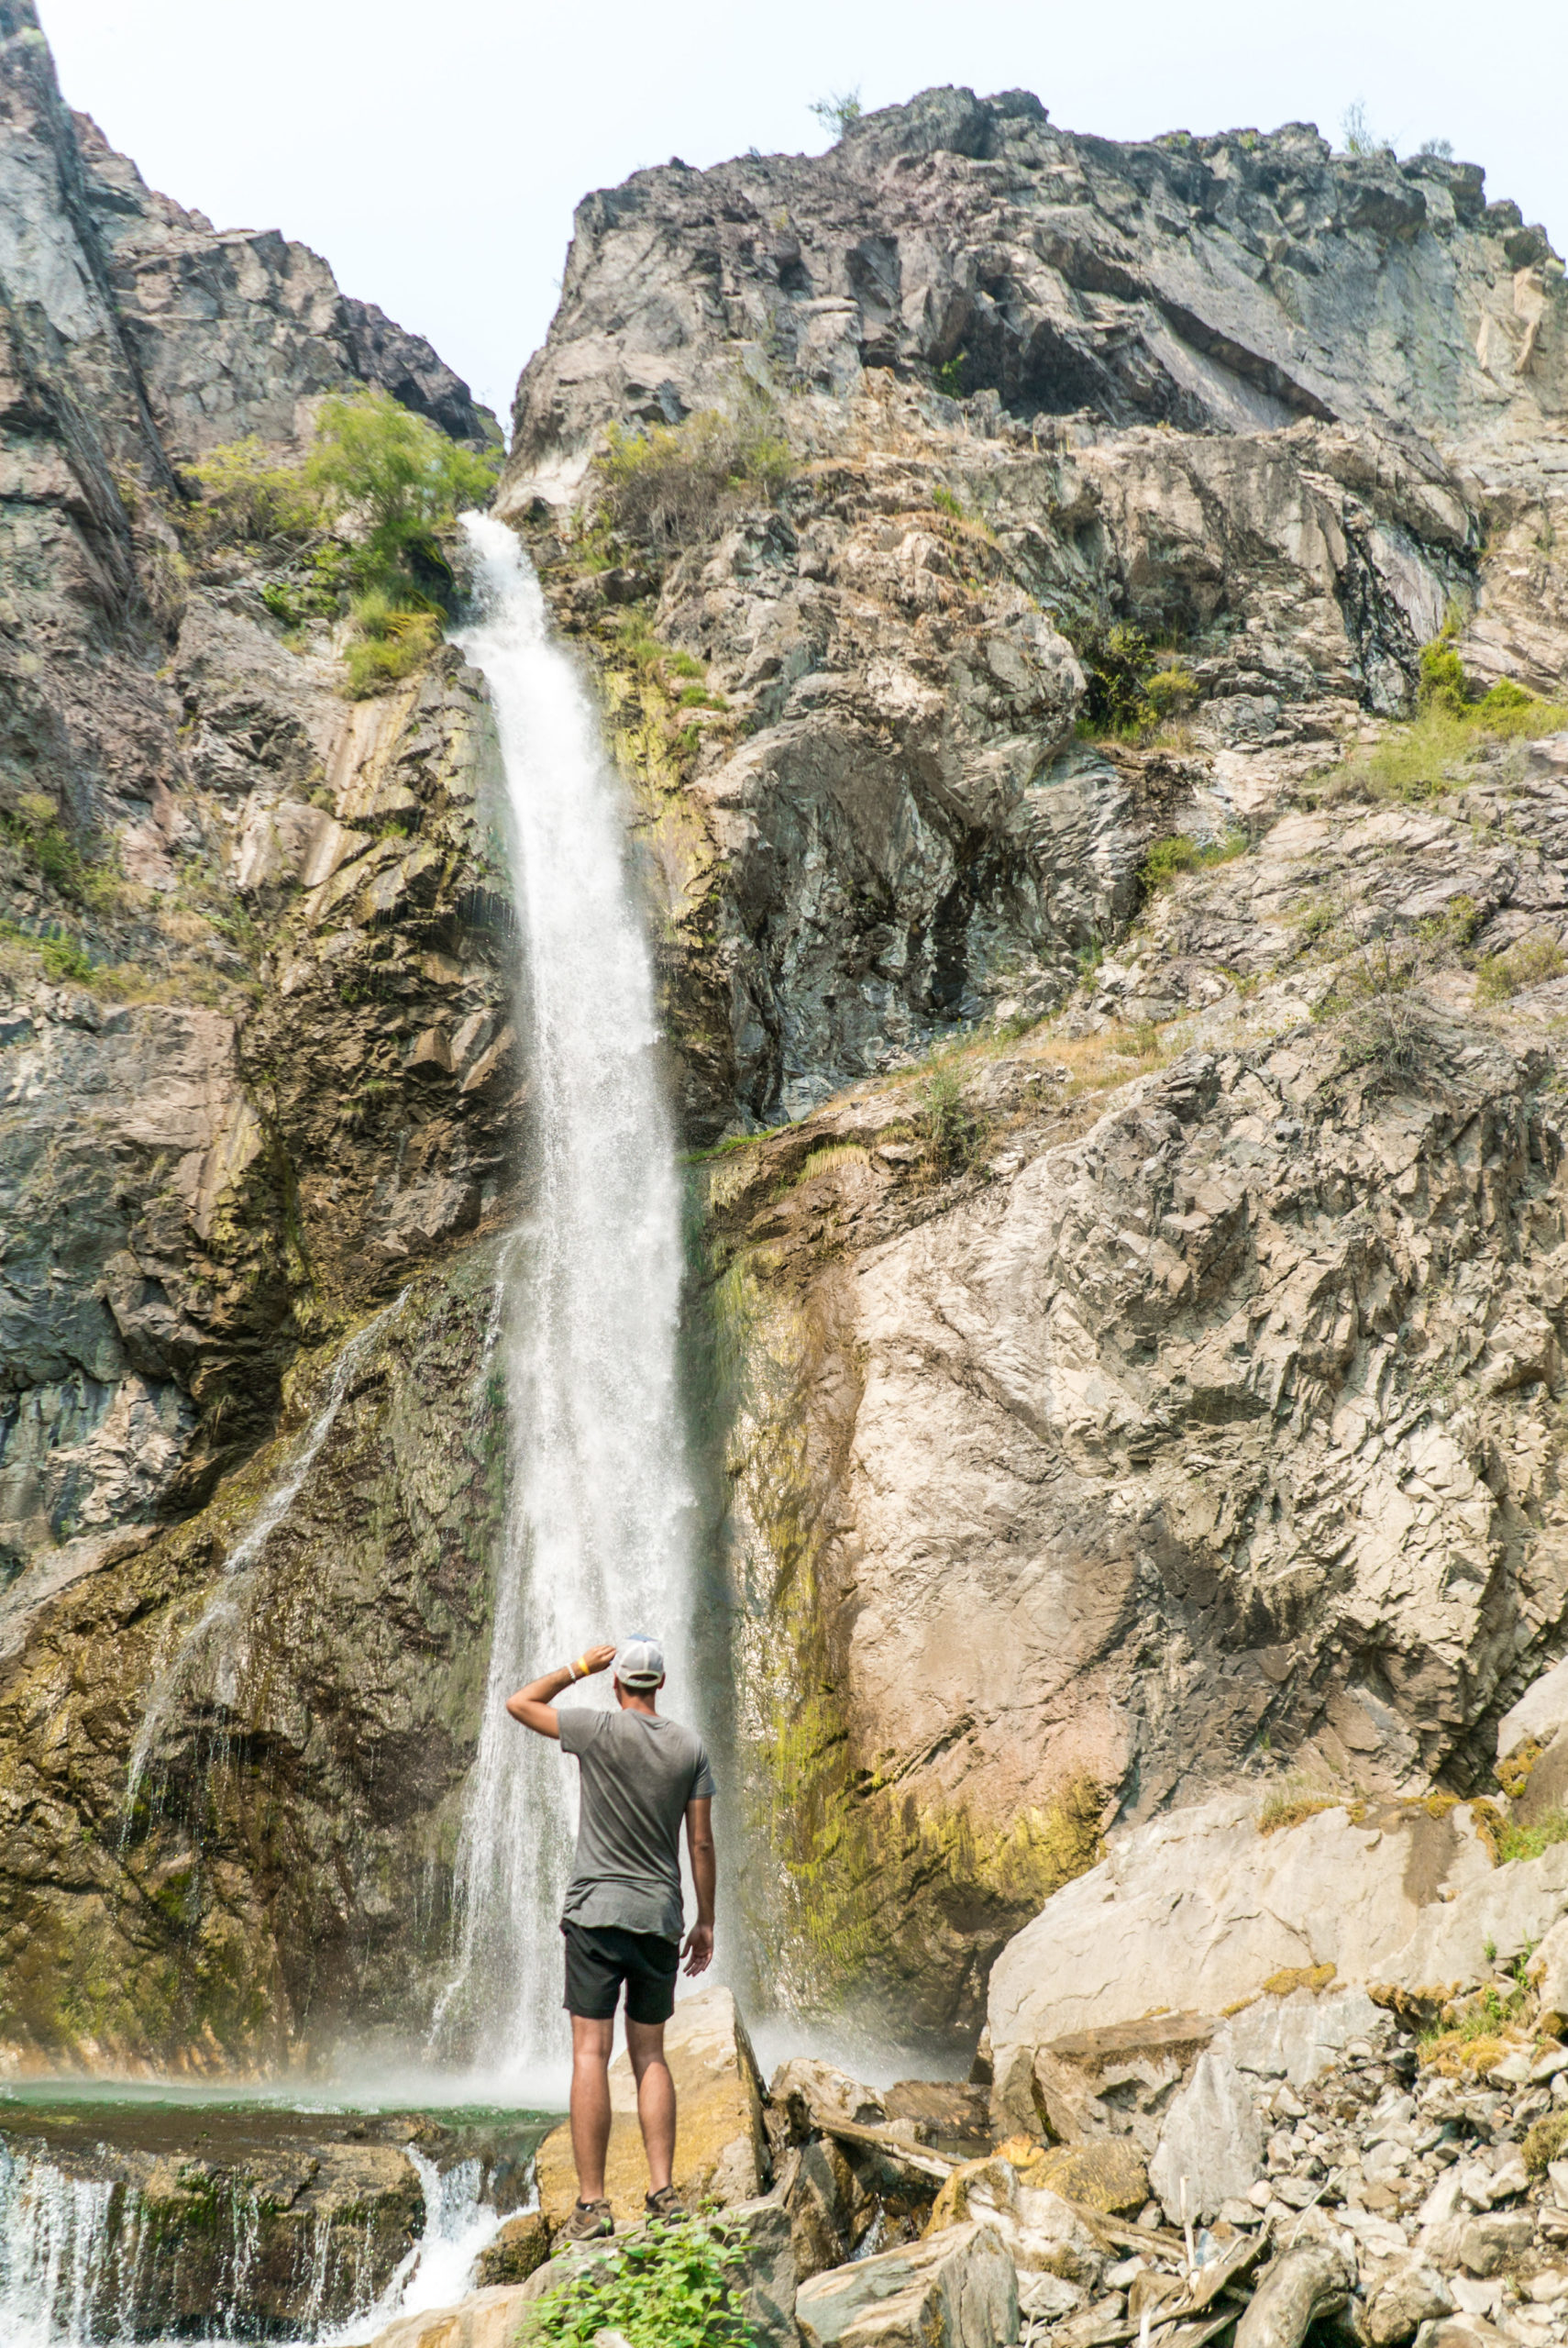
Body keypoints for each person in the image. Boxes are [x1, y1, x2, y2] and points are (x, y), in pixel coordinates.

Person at [506, 1632, 716, 2243]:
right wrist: (706, 1920)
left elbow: (521, 1703)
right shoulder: (690, 1748)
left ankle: (594, 2207)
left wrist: (577, 1666)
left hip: (595, 1915)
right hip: (657, 1918)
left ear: (617, 1682)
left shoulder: (596, 1729)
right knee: (651, 2055)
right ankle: (662, 2193)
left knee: (590, 2054)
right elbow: (700, 1843)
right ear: (663, 1685)